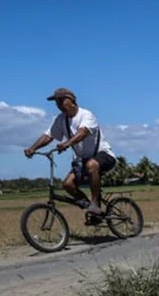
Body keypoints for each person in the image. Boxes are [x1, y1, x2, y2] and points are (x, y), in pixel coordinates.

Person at [24, 88, 116, 219]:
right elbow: (48, 136)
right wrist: (32, 148)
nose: (59, 105)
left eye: (61, 100)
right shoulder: (61, 120)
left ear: (72, 100)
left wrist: (66, 144)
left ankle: (95, 203)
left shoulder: (86, 115)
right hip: (84, 160)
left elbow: (83, 133)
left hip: (104, 156)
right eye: (56, 102)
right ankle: (91, 209)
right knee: (67, 184)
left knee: (92, 165)